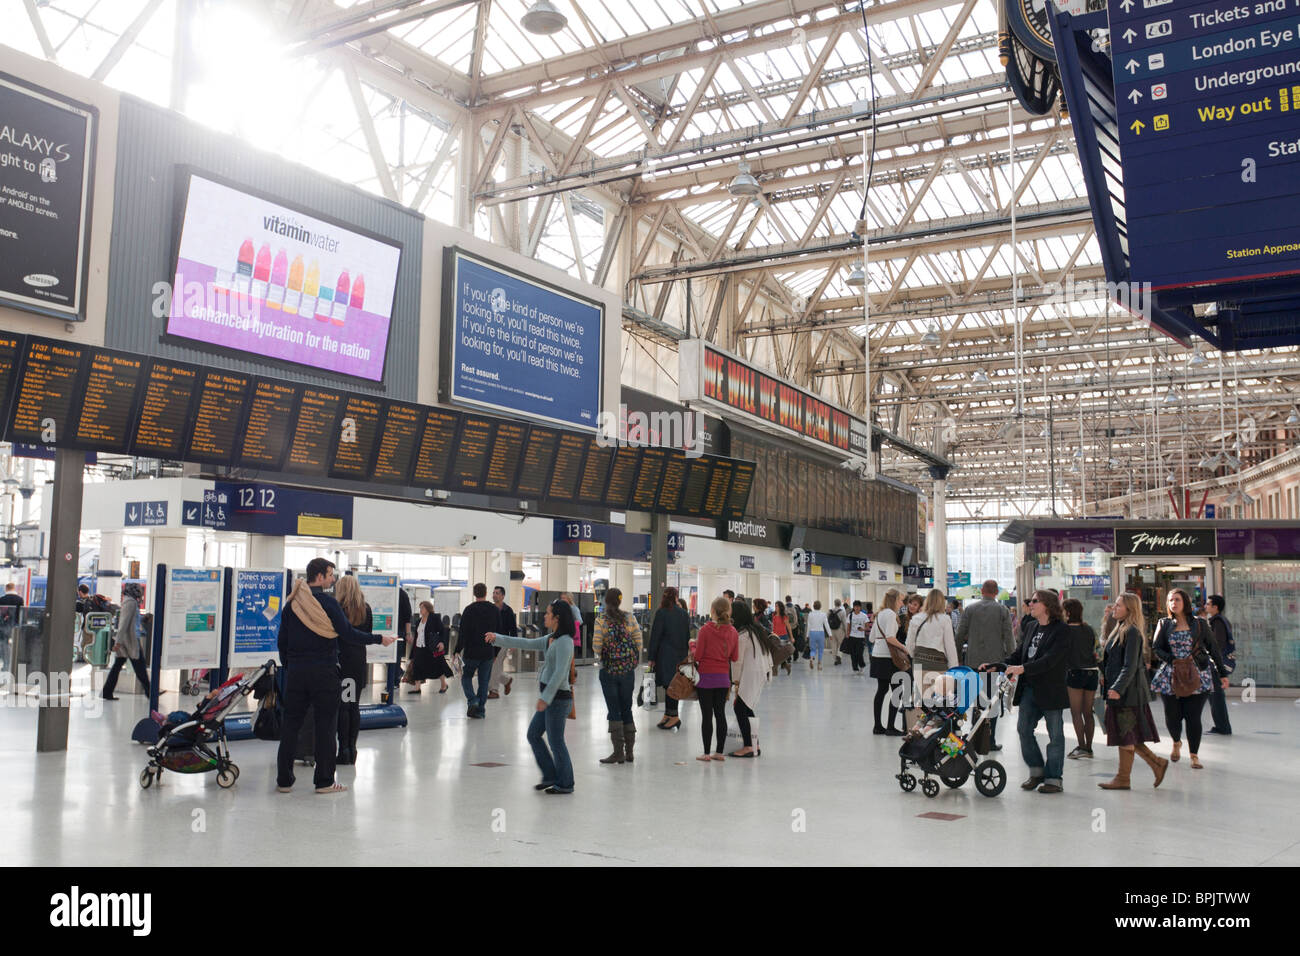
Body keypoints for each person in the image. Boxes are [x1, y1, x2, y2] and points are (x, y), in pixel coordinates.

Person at [276, 558, 395, 794]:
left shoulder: (291, 605)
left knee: (291, 726)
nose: (333, 579)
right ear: (319, 577)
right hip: (324, 673)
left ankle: (284, 780)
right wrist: (378, 639)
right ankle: (324, 781)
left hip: (297, 674)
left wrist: (291, 666)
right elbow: (349, 634)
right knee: (326, 726)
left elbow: (282, 643)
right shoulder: (329, 605)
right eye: (330, 574)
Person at [982, 589, 1070, 794]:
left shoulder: (1061, 630)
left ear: (1047, 605)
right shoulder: (1030, 627)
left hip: (1051, 689)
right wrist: (999, 665)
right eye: (1030, 601)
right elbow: (1019, 654)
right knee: (1023, 729)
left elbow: (1051, 659)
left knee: (1055, 735)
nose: (1030, 604)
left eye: (1034, 601)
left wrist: (1024, 669)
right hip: (1030, 688)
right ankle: (1037, 771)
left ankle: (1054, 778)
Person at [485, 601, 576, 794]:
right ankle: (550, 775)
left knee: (556, 741)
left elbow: (560, 674)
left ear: (557, 618)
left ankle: (566, 783)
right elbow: (524, 643)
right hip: (550, 698)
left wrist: (546, 698)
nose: (544, 616)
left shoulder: (565, 642)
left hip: (557, 700)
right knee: (533, 735)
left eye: (548, 613)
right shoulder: (551, 638)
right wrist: (497, 638)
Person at [1150, 588, 1228, 770]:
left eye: (1177, 599)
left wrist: (1222, 673)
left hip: (1197, 673)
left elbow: (1213, 649)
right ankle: (1176, 741)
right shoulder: (1164, 623)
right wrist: (1172, 659)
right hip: (1171, 673)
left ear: (1185, 602)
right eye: (1170, 600)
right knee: (1172, 715)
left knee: (1193, 717)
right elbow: (1156, 647)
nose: (1173, 603)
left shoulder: (1200, 623)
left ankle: (1194, 755)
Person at [1097, 593, 1167, 789]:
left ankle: (1124, 778)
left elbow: (1130, 666)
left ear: (1129, 609)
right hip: (1122, 691)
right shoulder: (1119, 629)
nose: (1114, 609)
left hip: (1128, 694)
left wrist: (1117, 688)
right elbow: (1114, 662)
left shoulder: (1132, 632)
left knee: (1127, 734)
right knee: (1127, 734)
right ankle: (1155, 764)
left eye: (1118, 606)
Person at [957, 579, 1015, 751]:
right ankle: (989, 741)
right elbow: (1009, 637)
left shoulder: (970, 609)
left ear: (981, 591)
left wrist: (958, 658)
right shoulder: (1002, 610)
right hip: (994, 664)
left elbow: (960, 635)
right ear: (996, 592)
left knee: (976, 701)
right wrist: (1011, 662)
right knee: (992, 703)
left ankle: (975, 738)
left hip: (973, 663)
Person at [592, 586, 643, 764]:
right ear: (620, 601)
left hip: (608, 671)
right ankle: (629, 752)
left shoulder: (601, 620)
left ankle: (617, 752)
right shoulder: (630, 618)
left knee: (614, 711)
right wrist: (630, 660)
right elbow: (638, 641)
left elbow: (596, 646)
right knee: (627, 709)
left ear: (606, 601)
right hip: (627, 671)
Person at [691, 596, 738, 762]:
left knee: (706, 716)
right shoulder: (733, 632)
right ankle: (719, 752)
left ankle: (705, 753)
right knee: (720, 715)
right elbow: (735, 657)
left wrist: (693, 646)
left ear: (712, 611)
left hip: (705, 679)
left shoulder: (705, 630)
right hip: (723, 679)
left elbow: (698, 655)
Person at [333, 575, 372, 766]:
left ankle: (344, 750)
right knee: (354, 706)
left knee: (343, 707)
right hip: (358, 662)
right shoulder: (366, 609)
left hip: (342, 663)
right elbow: (367, 636)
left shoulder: (338, 610)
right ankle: (353, 748)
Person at [904, 589, 959, 719]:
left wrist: (916, 657)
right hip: (939, 667)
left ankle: (916, 734)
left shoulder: (916, 618)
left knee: (920, 701)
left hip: (919, 665)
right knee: (939, 703)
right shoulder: (945, 619)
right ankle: (934, 734)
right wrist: (954, 669)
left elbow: (909, 645)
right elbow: (950, 646)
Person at [729, 601, 772, 757]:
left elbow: (737, 662)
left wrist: (736, 682)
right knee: (746, 707)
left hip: (749, 674)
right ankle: (754, 744)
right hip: (759, 672)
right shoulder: (755, 630)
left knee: (740, 707)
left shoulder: (742, 635)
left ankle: (748, 746)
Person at [1063, 598, 1101, 760]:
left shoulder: (1064, 631)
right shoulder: (1089, 629)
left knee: (1076, 712)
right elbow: (1098, 651)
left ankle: (1081, 746)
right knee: (1088, 712)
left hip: (1074, 673)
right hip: (1092, 673)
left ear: (1068, 612)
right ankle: (1090, 748)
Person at [648, 587, 690, 730]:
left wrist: (651, 657)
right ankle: (668, 714)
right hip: (680, 655)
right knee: (674, 684)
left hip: (665, 655)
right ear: (676, 597)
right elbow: (687, 636)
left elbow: (655, 636)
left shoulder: (661, 613)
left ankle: (674, 716)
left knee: (669, 686)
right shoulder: (684, 614)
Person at [457, 583, 501, 718]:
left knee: (466, 677)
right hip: (487, 652)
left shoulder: (469, 610)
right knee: (484, 682)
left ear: (474, 593)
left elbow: (462, 632)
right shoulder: (494, 610)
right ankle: (480, 710)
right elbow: (499, 632)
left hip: (471, 652)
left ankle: (473, 701)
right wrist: (496, 652)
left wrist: (457, 650)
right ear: (486, 593)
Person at [869, 589, 907, 735]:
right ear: (895, 600)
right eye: (900, 600)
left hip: (877, 656)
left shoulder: (879, 614)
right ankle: (891, 727)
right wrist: (904, 648)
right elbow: (891, 637)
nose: (902, 603)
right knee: (897, 691)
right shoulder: (891, 614)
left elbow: (872, 638)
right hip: (889, 658)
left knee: (881, 690)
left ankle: (877, 726)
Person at [101, 582, 149, 701]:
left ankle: (107, 692)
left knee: (118, 667)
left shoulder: (131, 602)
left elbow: (132, 621)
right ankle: (150, 692)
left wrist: (143, 619)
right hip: (130, 641)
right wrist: (118, 641)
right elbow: (123, 623)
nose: (140, 593)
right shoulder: (130, 602)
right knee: (140, 667)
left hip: (127, 640)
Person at [1204, 595, 1236, 735]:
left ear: (1215, 607)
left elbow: (1217, 644)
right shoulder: (1222, 620)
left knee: (1216, 695)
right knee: (1215, 695)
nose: (1206, 606)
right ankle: (1221, 726)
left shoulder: (1217, 622)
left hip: (1216, 664)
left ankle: (1222, 727)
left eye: (1208, 603)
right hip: (1219, 664)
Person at [405, 599, 451, 693]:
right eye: (420, 608)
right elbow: (418, 634)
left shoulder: (434, 618)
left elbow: (442, 631)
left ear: (428, 609)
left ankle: (444, 684)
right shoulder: (418, 621)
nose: (420, 610)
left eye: (422, 607)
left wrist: (442, 642)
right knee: (417, 666)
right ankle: (417, 688)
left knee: (436, 666)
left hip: (430, 647)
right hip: (419, 647)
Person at [487, 586, 516, 700]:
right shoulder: (490, 609)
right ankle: (506, 680)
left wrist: (513, 643)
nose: (494, 595)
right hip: (490, 642)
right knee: (491, 667)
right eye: (493, 593)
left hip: (502, 642)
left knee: (495, 666)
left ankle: (494, 691)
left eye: (497, 593)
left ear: (503, 596)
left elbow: (512, 628)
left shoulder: (508, 611)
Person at [846, 600, 870, 673]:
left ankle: (862, 665)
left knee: (859, 653)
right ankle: (855, 668)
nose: (856, 608)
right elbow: (848, 626)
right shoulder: (850, 615)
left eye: (858, 606)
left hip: (860, 638)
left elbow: (867, 627)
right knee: (853, 654)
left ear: (860, 607)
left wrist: (863, 629)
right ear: (853, 607)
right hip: (852, 637)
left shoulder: (864, 615)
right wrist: (847, 635)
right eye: (855, 606)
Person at [805, 600, 829, 671]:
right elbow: (826, 624)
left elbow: (808, 625)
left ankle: (812, 658)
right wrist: (830, 634)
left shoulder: (810, 614)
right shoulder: (823, 614)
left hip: (812, 633)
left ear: (813, 606)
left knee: (813, 649)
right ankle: (819, 664)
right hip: (821, 633)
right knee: (821, 650)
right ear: (820, 606)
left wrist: (807, 635)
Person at [771, 600, 793, 674]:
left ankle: (776, 669)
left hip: (783, 636)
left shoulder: (784, 616)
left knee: (781, 653)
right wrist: (772, 634)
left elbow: (788, 627)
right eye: (775, 606)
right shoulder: (773, 615)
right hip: (775, 637)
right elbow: (773, 626)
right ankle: (786, 665)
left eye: (777, 606)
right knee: (776, 653)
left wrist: (792, 637)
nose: (776, 607)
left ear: (780, 607)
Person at [826, 598, 845, 666]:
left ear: (834, 604)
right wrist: (846, 631)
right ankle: (839, 655)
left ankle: (835, 658)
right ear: (840, 604)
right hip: (840, 630)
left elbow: (826, 621)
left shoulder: (829, 611)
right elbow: (844, 622)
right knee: (841, 644)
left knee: (833, 644)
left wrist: (828, 631)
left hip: (831, 630)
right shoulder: (842, 611)